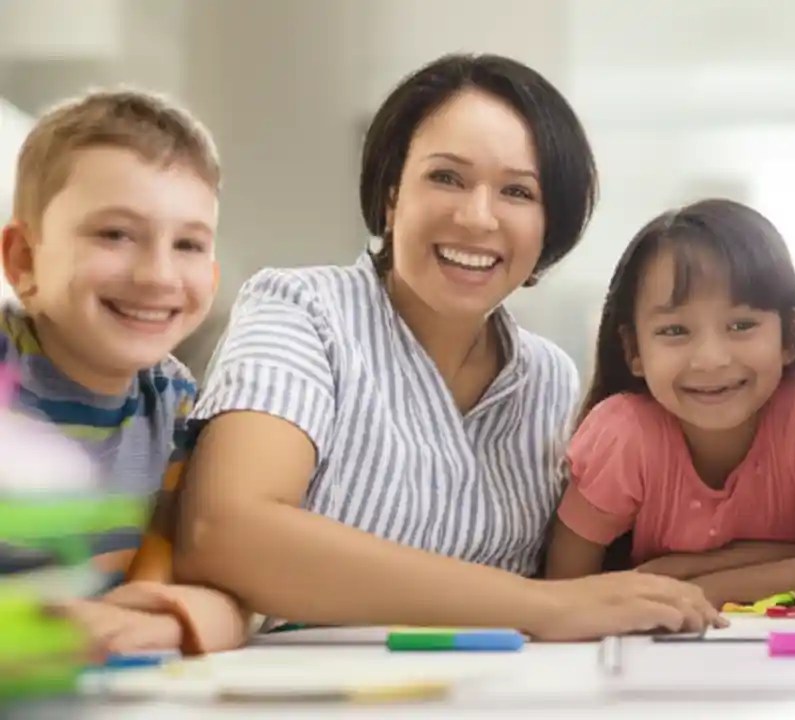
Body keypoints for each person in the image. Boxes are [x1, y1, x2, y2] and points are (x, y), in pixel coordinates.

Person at [172, 54, 720, 640]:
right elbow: (225, 532)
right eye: (446, 177)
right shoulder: (302, 310)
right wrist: (543, 607)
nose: (478, 217)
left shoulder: (549, 380)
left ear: (548, 226)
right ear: (391, 194)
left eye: (517, 191)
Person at [543, 199, 795, 611]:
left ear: (790, 337)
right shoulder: (622, 435)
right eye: (674, 330)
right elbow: (564, 596)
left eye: (741, 325)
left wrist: (674, 576)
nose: (711, 359)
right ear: (634, 350)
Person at [0, 89, 247, 654]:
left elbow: (205, 589)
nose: (158, 275)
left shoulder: (176, 404)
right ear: (23, 261)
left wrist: (155, 622)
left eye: (188, 244)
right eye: (115, 234)